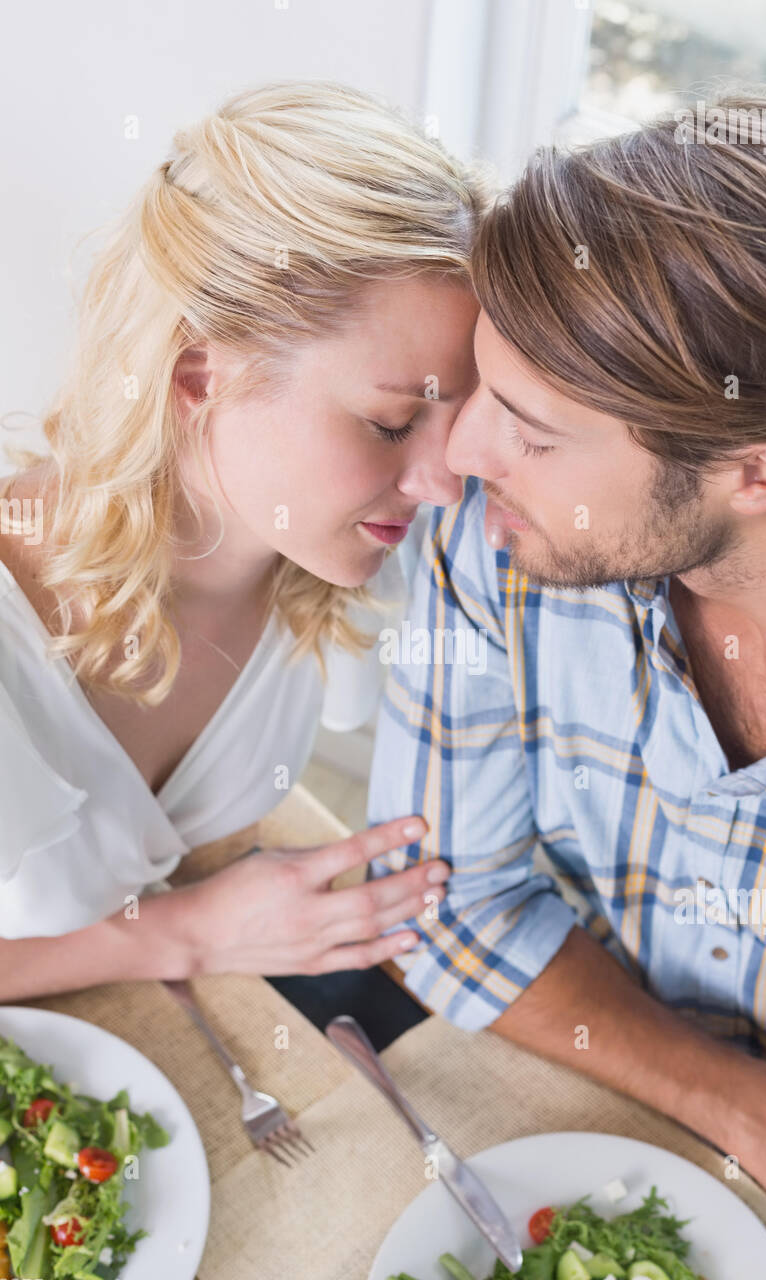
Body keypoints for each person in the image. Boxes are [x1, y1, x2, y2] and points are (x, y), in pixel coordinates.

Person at [367, 92, 766, 1270]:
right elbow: (442, 906)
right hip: (573, 1122)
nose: (458, 456)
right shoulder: (493, 541)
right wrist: (753, 1108)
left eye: (533, 431)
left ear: (756, 470)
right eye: (483, 388)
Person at [0, 80, 486, 998]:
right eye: (390, 424)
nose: (446, 484)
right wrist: (184, 936)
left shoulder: (333, 549)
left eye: (459, 422)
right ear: (198, 376)